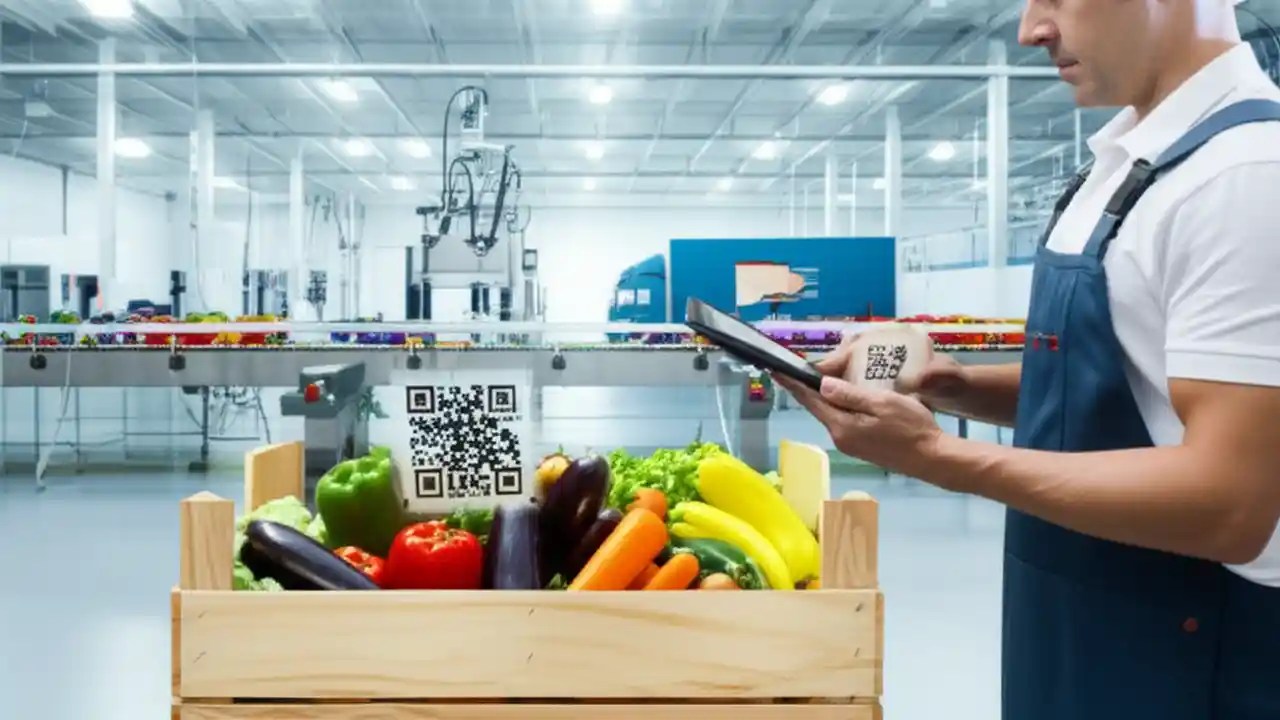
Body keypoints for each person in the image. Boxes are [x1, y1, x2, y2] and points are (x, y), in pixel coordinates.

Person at [776, 1, 1280, 718]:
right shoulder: (1126, 162)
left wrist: (937, 457)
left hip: (1188, 653)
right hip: (1083, 620)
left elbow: (1230, 503)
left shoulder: (1245, 174)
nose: (1030, 29)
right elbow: (1120, 389)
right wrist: (951, 385)